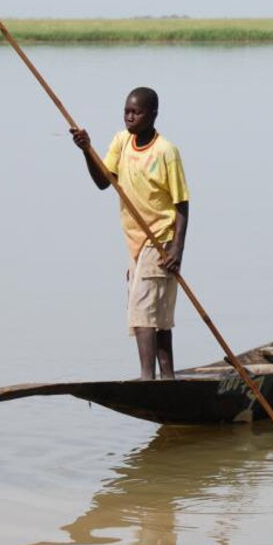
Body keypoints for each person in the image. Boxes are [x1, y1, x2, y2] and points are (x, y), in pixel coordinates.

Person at [70, 87, 189, 380]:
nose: (130, 117)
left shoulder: (166, 152)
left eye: (136, 112)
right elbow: (103, 181)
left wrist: (176, 250)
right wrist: (87, 150)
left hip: (160, 240)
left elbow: (182, 204)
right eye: (127, 111)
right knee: (156, 317)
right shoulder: (121, 142)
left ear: (153, 115)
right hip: (135, 244)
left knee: (142, 313)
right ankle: (169, 380)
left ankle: (148, 379)